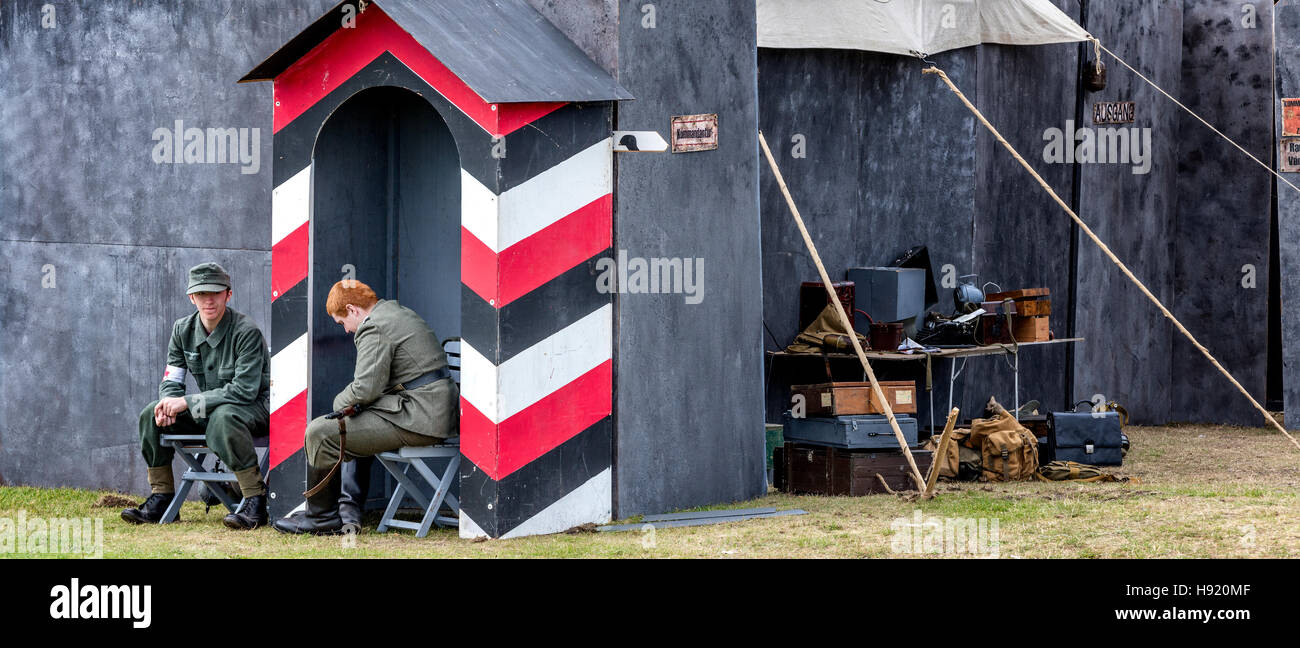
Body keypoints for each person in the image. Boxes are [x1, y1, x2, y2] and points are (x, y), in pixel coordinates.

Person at [273, 280, 459, 535]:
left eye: (342, 322)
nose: (347, 331)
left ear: (353, 310)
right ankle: (340, 509)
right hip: (430, 412)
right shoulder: (396, 313)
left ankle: (321, 518)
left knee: (320, 432)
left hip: (420, 416)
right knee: (351, 423)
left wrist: (337, 405)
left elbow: (365, 390)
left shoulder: (374, 327)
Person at [122, 262, 271, 529]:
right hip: (210, 410)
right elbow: (172, 379)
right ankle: (163, 497)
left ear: (228, 294)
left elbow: (244, 390)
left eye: (215, 293)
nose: (208, 300)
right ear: (191, 297)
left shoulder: (246, 331)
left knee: (224, 418)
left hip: (252, 408)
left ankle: (254, 501)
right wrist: (168, 403)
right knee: (150, 414)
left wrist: (187, 402)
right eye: (201, 294)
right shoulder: (182, 330)